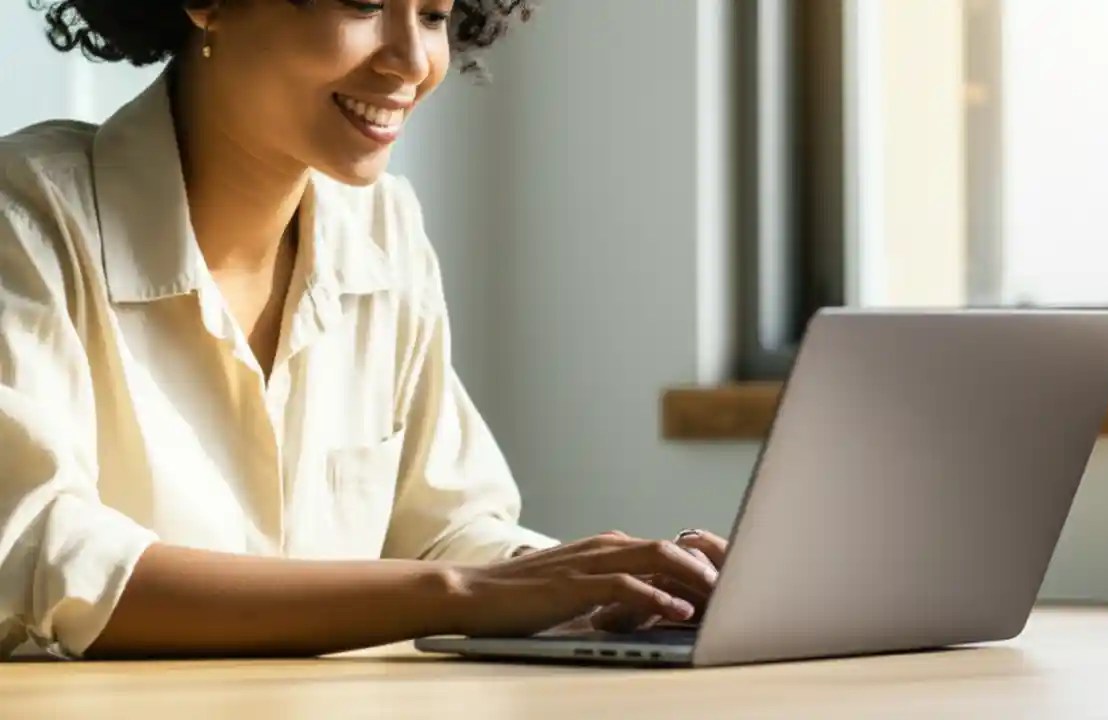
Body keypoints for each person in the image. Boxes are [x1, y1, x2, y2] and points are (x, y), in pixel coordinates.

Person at [0, 0, 727, 660]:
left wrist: (617, 592)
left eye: (436, 15)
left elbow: (448, 531)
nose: (412, 63)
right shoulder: (27, 219)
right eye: (364, 4)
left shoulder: (385, 228)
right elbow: (47, 557)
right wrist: (461, 593)